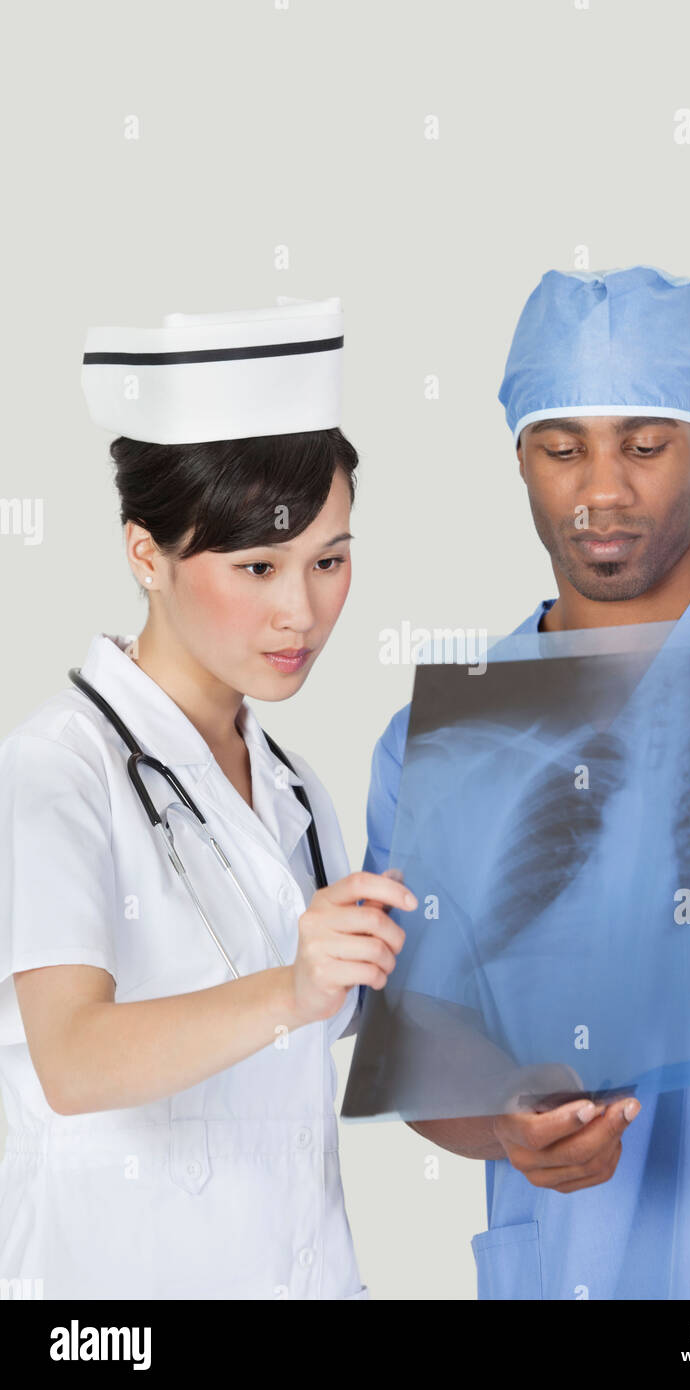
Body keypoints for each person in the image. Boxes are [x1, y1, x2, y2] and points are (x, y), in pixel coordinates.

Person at [362, 266, 690, 1300]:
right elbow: (420, 1051)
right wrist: (505, 1130)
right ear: (517, 458)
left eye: (643, 446)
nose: (600, 490)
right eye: (561, 449)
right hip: (571, 1261)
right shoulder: (441, 736)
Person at [0, 299, 415, 1300]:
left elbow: (350, 1042)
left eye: (330, 558)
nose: (301, 610)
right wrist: (292, 990)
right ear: (146, 553)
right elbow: (73, 1057)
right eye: (257, 567)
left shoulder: (295, 790)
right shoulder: (56, 768)